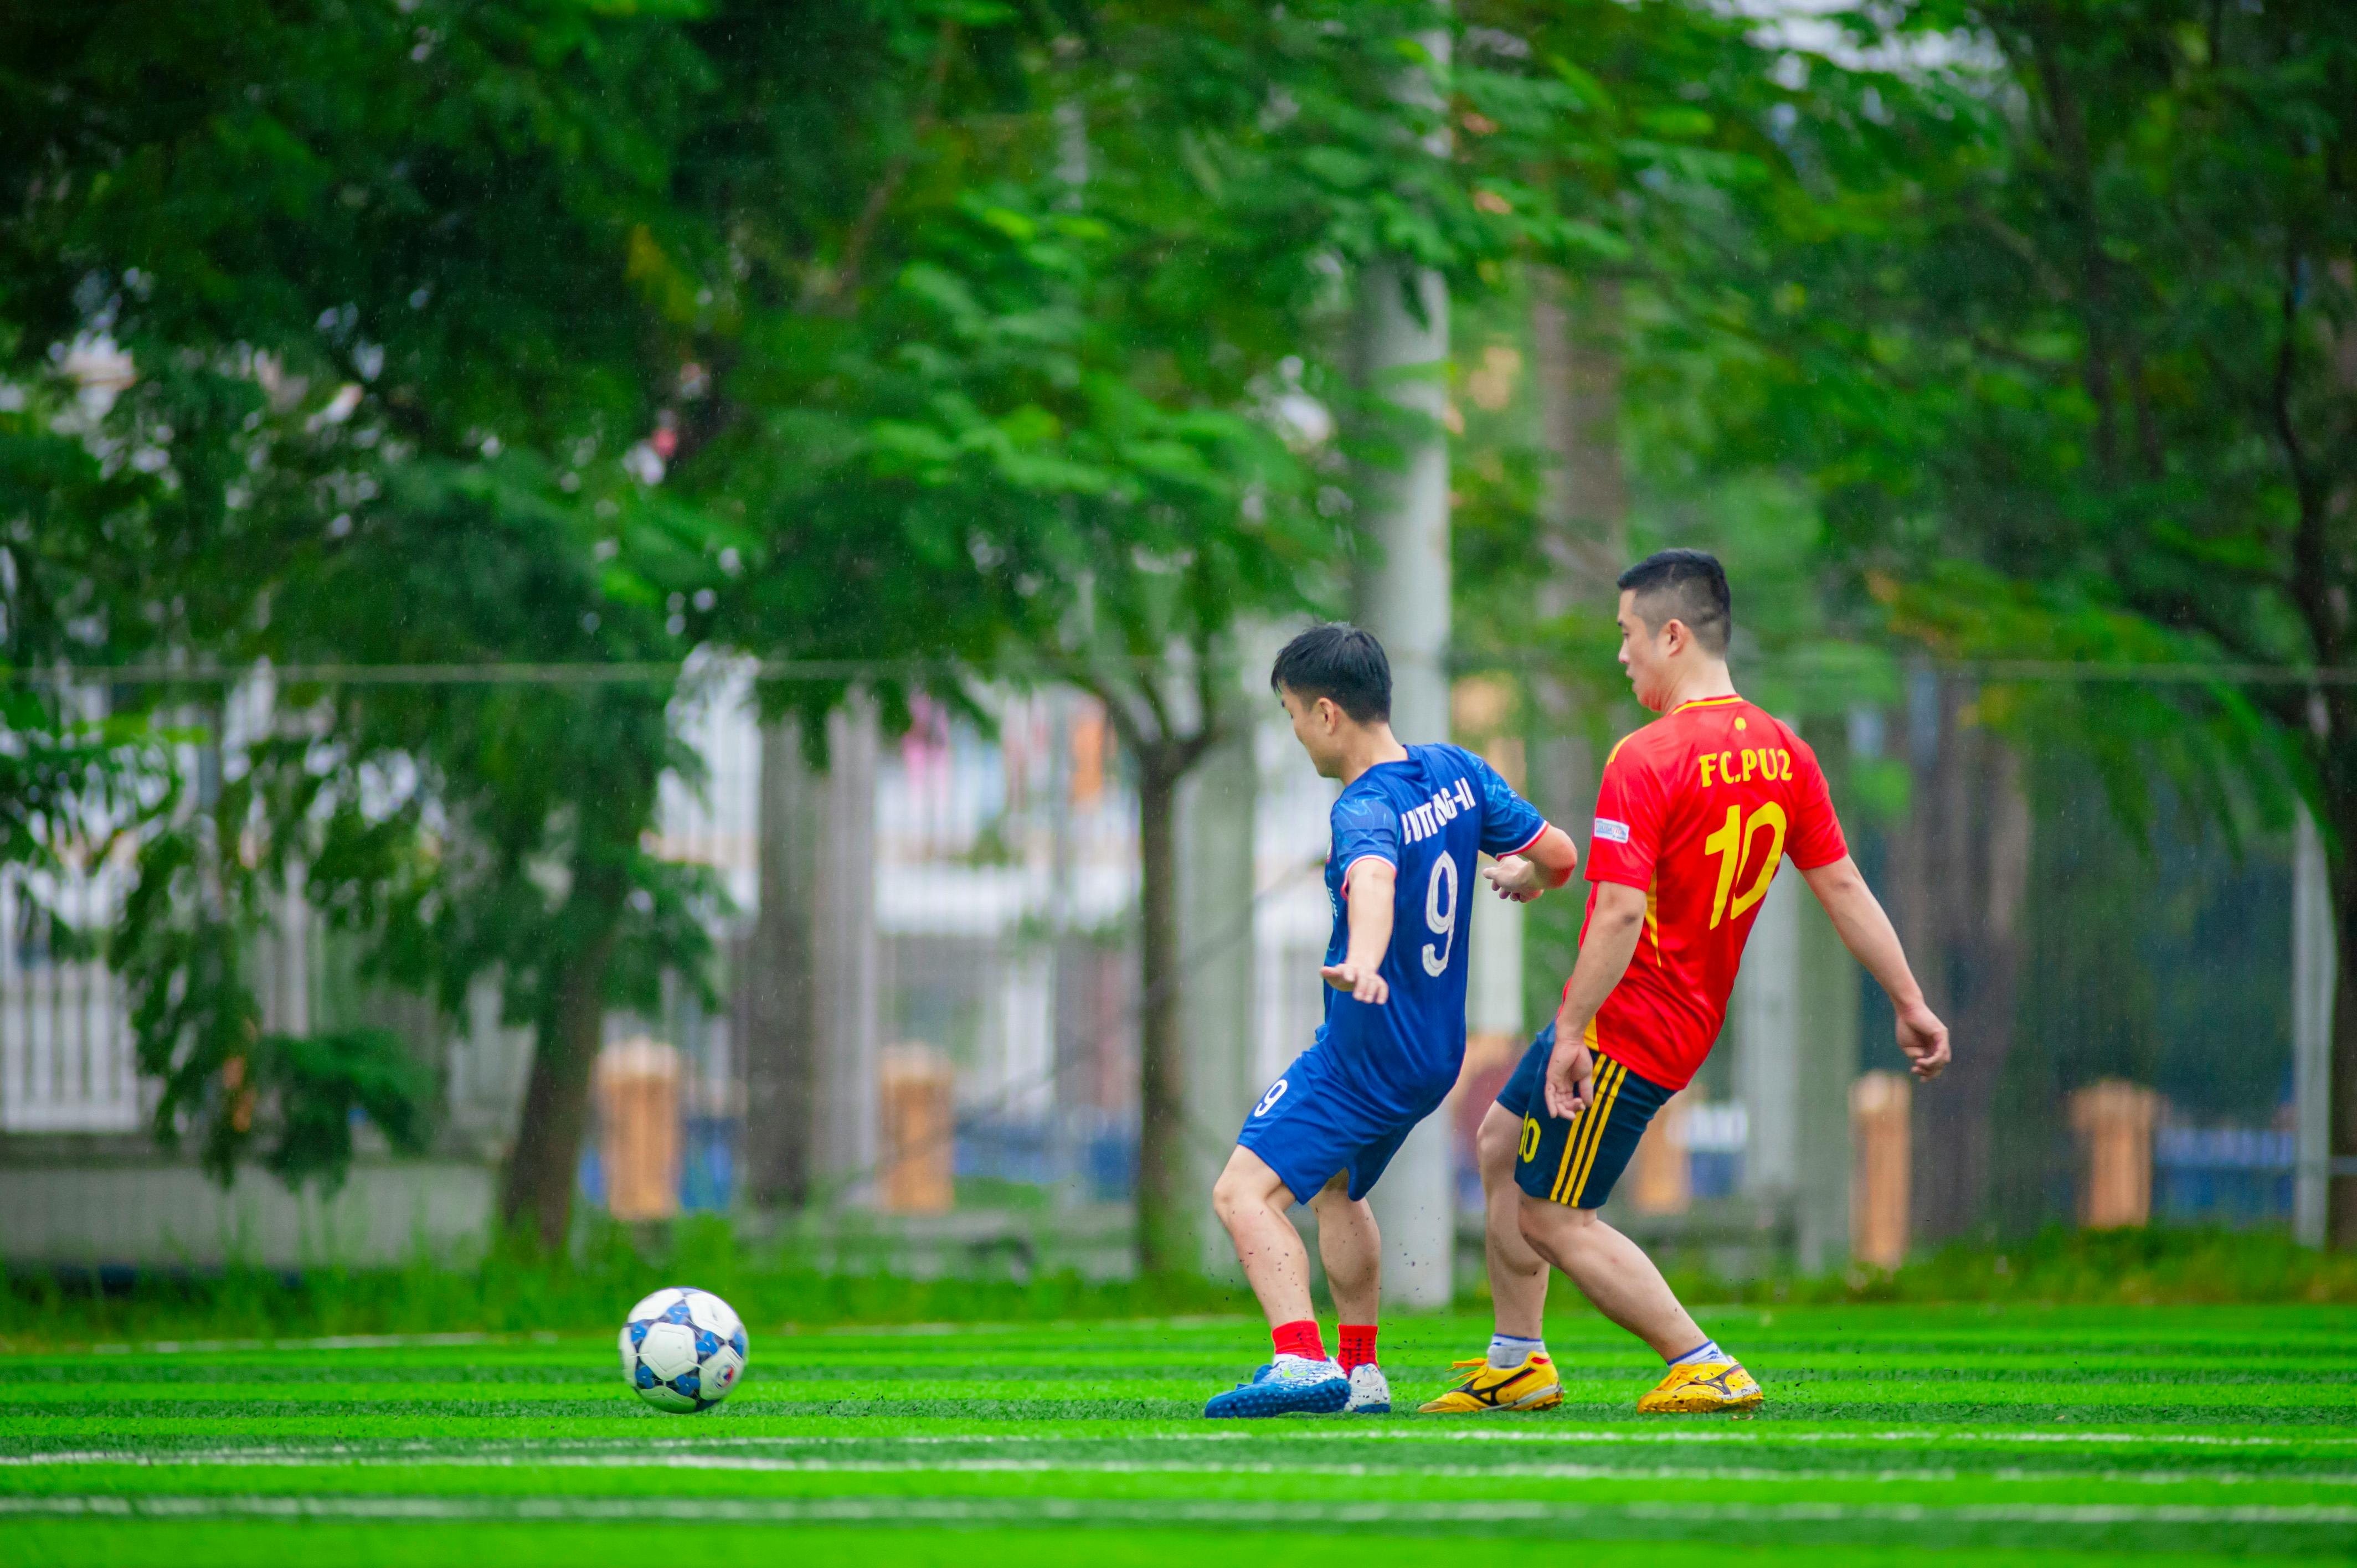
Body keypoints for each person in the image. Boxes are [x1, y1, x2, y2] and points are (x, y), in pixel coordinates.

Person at [1419, 549, 1951, 1417]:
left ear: (1673, 634)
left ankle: (1702, 1360)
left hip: (1627, 1026)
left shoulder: (1646, 754)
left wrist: (1575, 1032)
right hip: (1666, 1017)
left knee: (1553, 1219)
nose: (1621, 655)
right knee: (1497, 1144)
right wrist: (1910, 1001)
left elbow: (1623, 915)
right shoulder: (1786, 751)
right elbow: (1843, 884)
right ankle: (1516, 1360)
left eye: (1628, 636)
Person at [1204, 623, 1582, 1418]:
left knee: (1243, 1193)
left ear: (1329, 714)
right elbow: (1563, 855)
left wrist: (1367, 960)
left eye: (1293, 713)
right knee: (1337, 1189)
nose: (1297, 730)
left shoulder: (1363, 806)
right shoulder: (1458, 772)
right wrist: (1525, 874)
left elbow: (1372, 879)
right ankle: (1361, 1371)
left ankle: (1299, 1361)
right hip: (1433, 1052)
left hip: (1364, 1052)